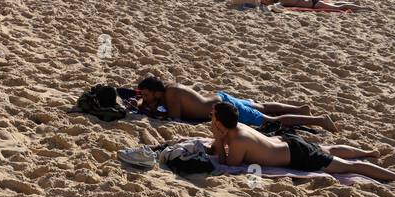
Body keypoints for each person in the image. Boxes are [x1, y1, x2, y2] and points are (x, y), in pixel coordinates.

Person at [210, 102, 395, 187]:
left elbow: (229, 164)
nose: (210, 118)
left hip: (298, 155)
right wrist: (218, 140)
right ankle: (368, 152)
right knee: (329, 149)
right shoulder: (238, 128)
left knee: (348, 167)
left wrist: (218, 141)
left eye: (212, 116)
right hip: (287, 142)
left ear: (219, 122)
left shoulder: (237, 139)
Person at [133, 76, 336, 131]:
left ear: (155, 91)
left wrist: (149, 113)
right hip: (221, 98)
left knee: (269, 120)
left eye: (146, 94)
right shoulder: (168, 91)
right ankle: (300, 109)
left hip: (225, 107)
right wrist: (143, 104)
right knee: (262, 106)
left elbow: (174, 119)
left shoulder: (172, 95)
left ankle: (319, 120)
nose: (144, 97)